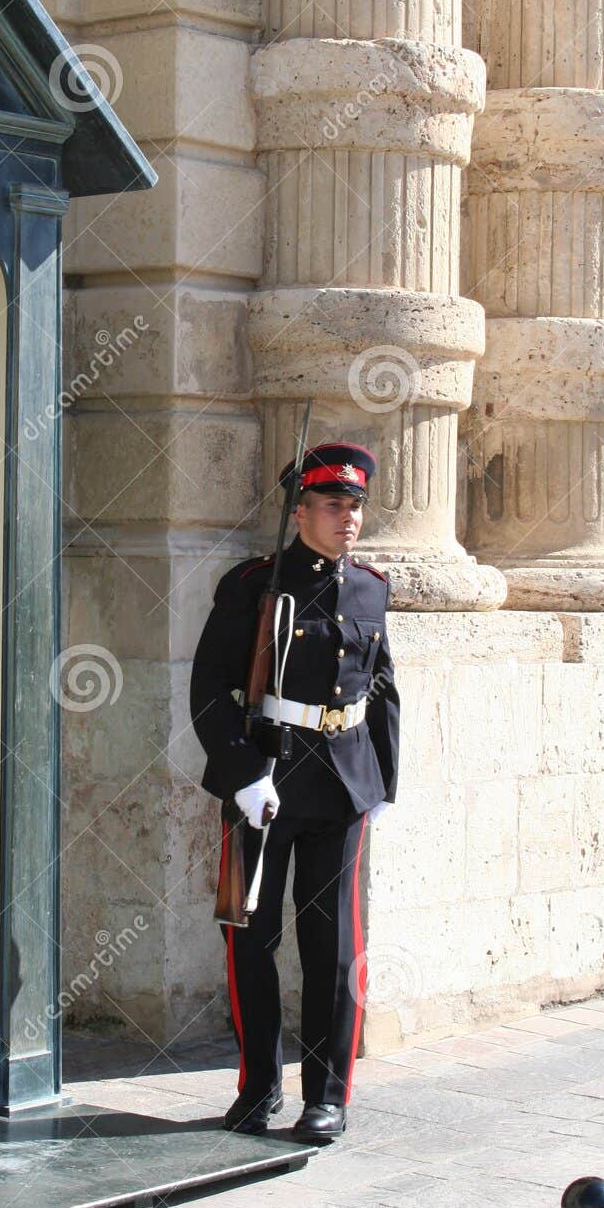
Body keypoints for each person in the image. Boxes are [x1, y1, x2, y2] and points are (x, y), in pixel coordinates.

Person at [189, 442, 401, 1142]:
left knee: (331, 946)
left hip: (340, 785)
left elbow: (381, 687)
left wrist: (380, 781)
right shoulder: (253, 584)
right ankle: (257, 1090)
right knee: (249, 938)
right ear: (299, 510)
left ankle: (326, 1095)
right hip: (265, 782)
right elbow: (209, 692)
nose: (348, 519)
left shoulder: (371, 587)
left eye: (355, 507)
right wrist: (241, 774)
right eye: (333, 506)